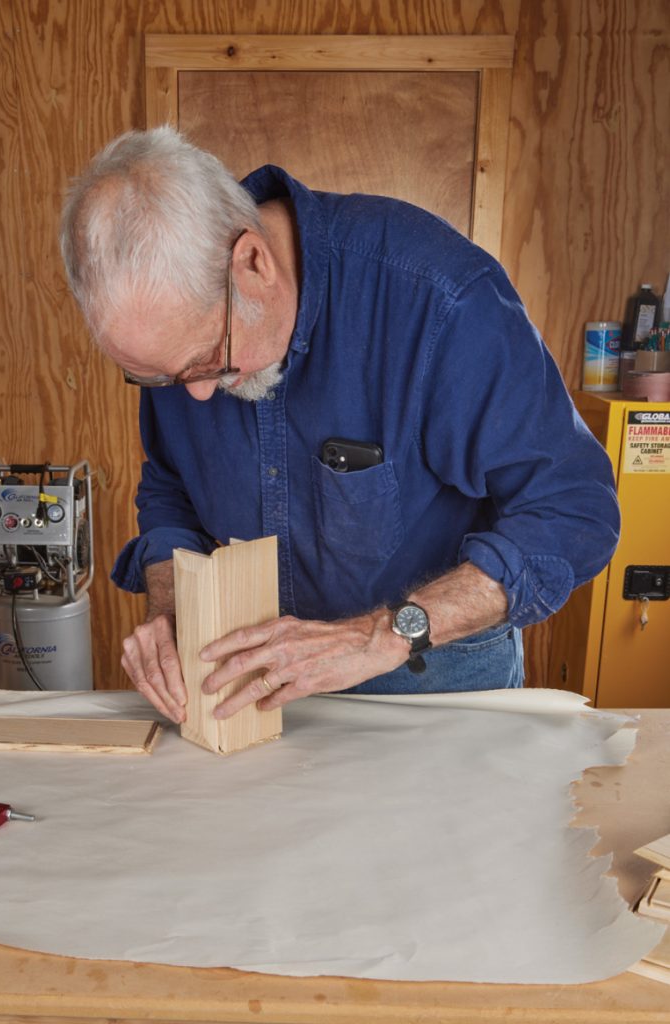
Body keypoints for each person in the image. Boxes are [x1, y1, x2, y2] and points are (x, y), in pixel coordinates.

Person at [60, 126, 619, 724]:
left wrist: (385, 634)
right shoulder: (183, 340)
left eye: (206, 362)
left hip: (436, 679)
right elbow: (172, 487)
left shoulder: (440, 298)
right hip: (259, 683)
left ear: (254, 263)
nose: (196, 393)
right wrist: (169, 605)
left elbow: (572, 511)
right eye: (161, 378)